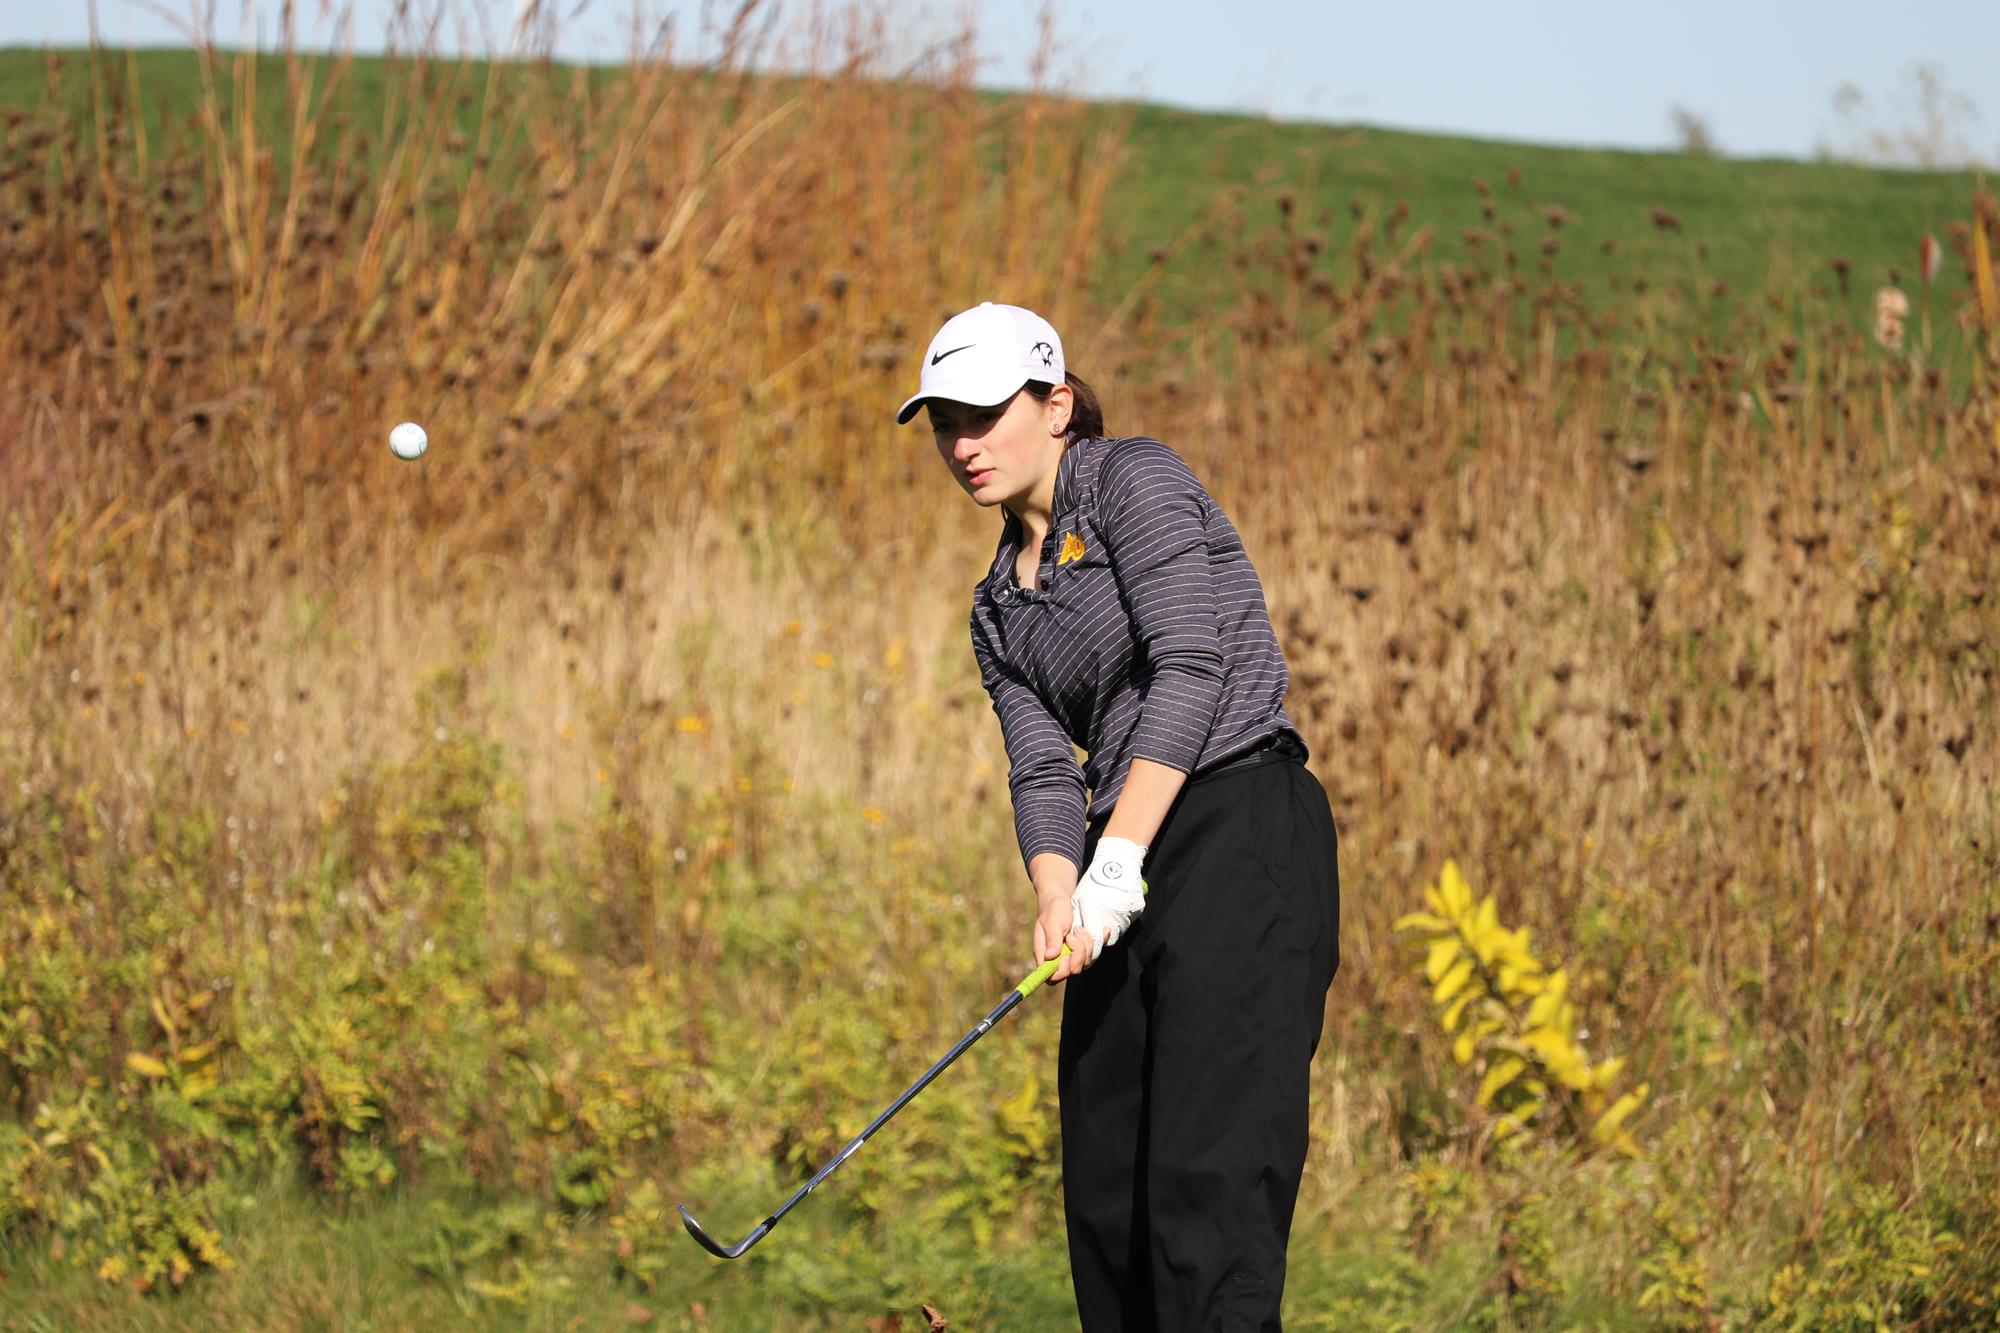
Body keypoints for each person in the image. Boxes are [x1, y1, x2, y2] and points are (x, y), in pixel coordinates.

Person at [895, 301, 1341, 1331]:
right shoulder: (995, 605)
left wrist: (1117, 857)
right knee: (1106, 1185)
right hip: (1119, 862)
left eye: (982, 414)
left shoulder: (1133, 479)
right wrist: (1059, 886)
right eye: (942, 425)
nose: (961, 445)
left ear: (1055, 404)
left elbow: (1192, 664)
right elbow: (1041, 763)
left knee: (1205, 1178)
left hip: (1238, 823)